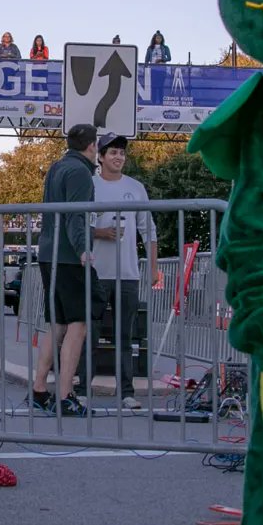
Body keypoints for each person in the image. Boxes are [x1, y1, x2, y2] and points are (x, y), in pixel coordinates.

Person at [80, 133, 159, 410]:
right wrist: (101, 232)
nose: (118, 157)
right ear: (100, 156)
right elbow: (78, 227)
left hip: (127, 274)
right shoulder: (89, 185)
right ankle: (81, 389)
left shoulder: (136, 188)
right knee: (90, 333)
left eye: (122, 153)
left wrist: (154, 267)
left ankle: (126, 392)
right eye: (112, 152)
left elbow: (148, 229)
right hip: (96, 271)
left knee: (125, 336)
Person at [30, 123, 98, 417]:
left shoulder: (57, 167)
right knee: (78, 324)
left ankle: (39, 389)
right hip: (69, 255)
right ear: (92, 146)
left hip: (48, 252)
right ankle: (66, 394)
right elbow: (76, 216)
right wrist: (83, 249)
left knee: (56, 323)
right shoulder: (81, 172)